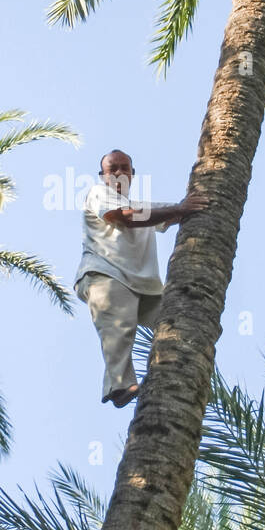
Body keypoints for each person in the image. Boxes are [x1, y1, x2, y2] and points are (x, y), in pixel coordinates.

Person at [74, 149, 208, 407]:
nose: (119, 172)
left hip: (143, 288)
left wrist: (185, 209)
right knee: (118, 329)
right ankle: (119, 386)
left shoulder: (140, 206)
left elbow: (170, 213)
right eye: (113, 168)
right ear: (102, 176)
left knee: (179, 319)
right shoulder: (99, 193)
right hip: (105, 274)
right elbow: (123, 217)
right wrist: (178, 209)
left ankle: (180, 372)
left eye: (125, 168)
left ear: (133, 175)